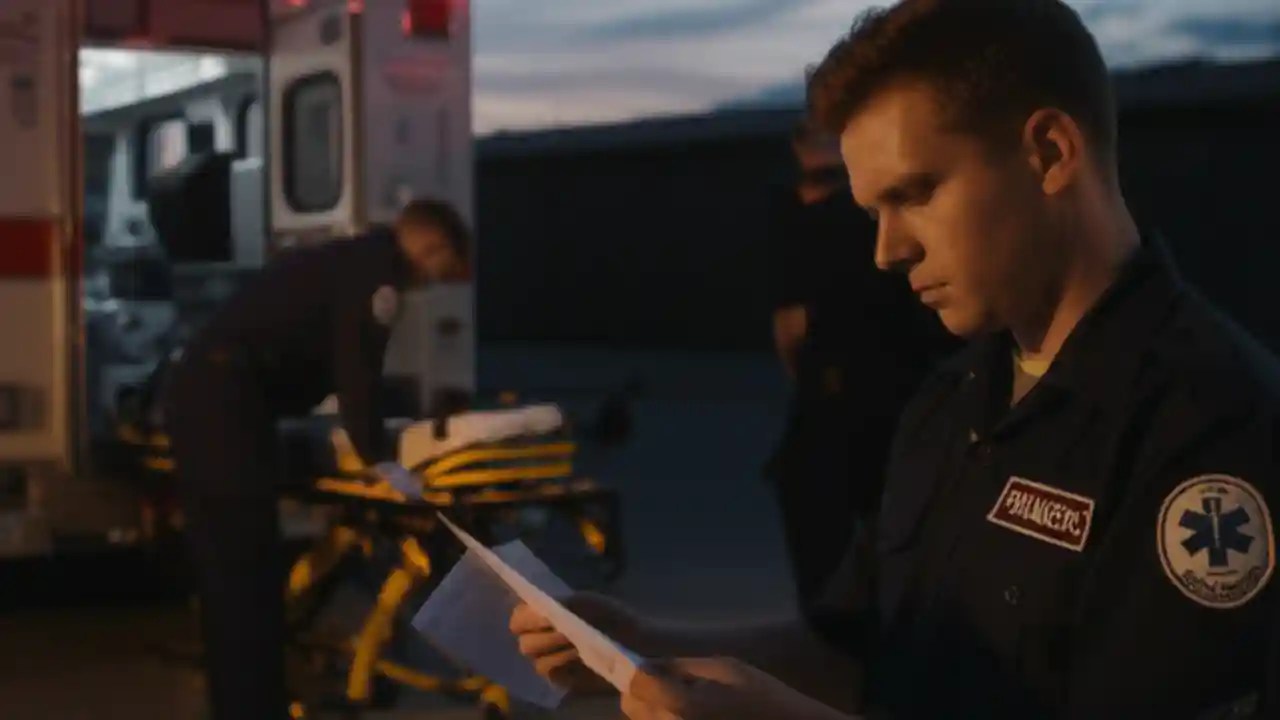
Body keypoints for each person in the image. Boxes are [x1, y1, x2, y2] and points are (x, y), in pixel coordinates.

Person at [510, 1, 1279, 718]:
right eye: (873, 210)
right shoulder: (951, 400)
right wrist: (647, 645)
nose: (886, 249)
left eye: (915, 194)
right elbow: (853, 646)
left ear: (1049, 152)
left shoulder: (1211, 430)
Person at [162, 198, 470, 720]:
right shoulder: (381, 280)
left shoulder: (350, 258)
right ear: (430, 247)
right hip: (225, 404)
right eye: (444, 270)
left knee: (229, 573)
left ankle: (239, 704)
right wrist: (381, 461)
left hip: (208, 396)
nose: (436, 283)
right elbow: (358, 374)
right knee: (246, 574)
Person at [766, 119, 957, 610]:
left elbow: (790, 326)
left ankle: (835, 636)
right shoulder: (875, 215)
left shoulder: (800, 222)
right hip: (900, 386)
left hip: (839, 391)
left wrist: (812, 379)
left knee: (819, 522)